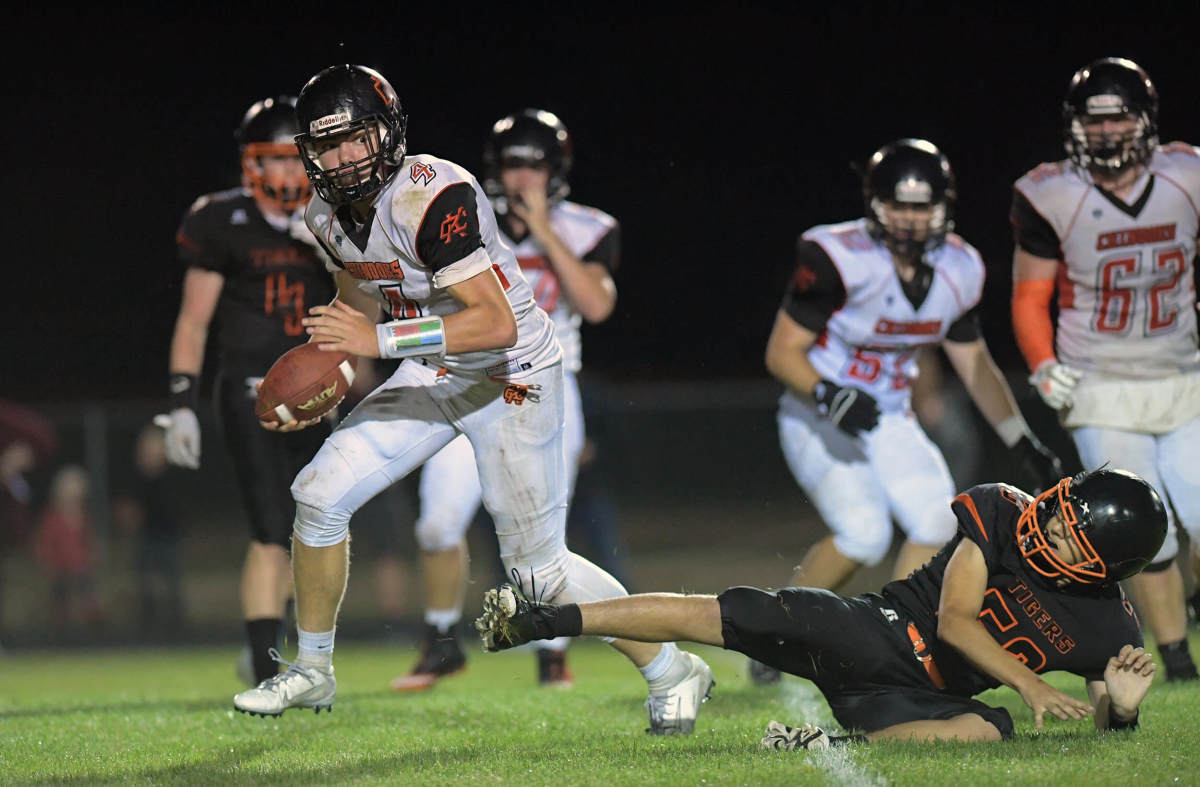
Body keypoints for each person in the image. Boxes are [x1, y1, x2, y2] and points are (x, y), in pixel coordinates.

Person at [232, 65, 712, 734]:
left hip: (510, 375)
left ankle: (671, 667)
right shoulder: (322, 213)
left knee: (540, 580)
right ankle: (313, 669)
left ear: (389, 132)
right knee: (316, 493)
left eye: (355, 138)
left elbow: (496, 323)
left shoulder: (432, 194)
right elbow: (363, 292)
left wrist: (375, 337)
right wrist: (336, 355)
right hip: (434, 370)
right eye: (325, 145)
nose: (341, 158)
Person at [476, 469, 1164, 746]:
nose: (1049, 528)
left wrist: (1124, 707)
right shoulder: (1003, 508)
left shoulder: (1108, 623)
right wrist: (1032, 681)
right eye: (1059, 511)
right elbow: (955, 618)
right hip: (876, 630)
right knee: (726, 614)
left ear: (1109, 567)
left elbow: (1105, 724)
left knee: (990, 734)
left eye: (1072, 534)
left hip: (913, 701)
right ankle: (549, 619)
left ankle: (827, 743)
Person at [752, 139, 1063, 683]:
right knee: (864, 534)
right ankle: (775, 634)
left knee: (936, 521)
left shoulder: (959, 268)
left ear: (944, 207)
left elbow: (975, 365)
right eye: (899, 207)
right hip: (817, 413)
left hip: (890, 416)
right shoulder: (837, 256)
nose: (911, 222)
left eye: (922, 208)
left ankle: (895, 638)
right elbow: (780, 352)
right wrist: (831, 393)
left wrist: (1020, 438)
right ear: (875, 205)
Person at [391, 109, 620, 691]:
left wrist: (544, 230)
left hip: (544, 381)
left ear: (556, 171)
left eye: (533, 166)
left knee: (546, 532)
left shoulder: (588, 226)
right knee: (438, 523)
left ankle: (553, 654)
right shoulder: (462, 217)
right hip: (468, 377)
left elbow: (596, 306)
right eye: (512, 165)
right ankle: (441, 643)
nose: (521, 178)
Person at [1010, 58, 1200, 681]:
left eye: (1119, 117)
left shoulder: (1188, 175)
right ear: (1074, 127)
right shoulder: (1051, 193)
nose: (1108, 132)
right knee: (1150, 531)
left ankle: (1186, 611)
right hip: (1100, 382)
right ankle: (1177, 662)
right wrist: (1043, 364)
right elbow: (1030, 294)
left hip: (1183, 372)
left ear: (1144, 121)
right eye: (1095, 121)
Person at [160, 96, 336, 685]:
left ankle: (285, 646)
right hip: (251, 388)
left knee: (312, 524)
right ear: (251, 164)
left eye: (296, 161)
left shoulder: (338, 218)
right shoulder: (221, 220)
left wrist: (336, 253)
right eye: (275, 160)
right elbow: (193, 321)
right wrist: (182, 401)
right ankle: (266, 664)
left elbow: (374, 302)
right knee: (270, 528)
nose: (287, 174)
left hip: (319, 388)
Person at [35, 465, 103, 633]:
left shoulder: (85, 517)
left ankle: (93, 633)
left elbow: (90, 544)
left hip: (82, 569)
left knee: (89, 596)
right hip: (60, 571)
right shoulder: (52, 518)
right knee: (61, 599)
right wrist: (50, 565)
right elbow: (45, 546)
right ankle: (62, 635)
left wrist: (90, 560)